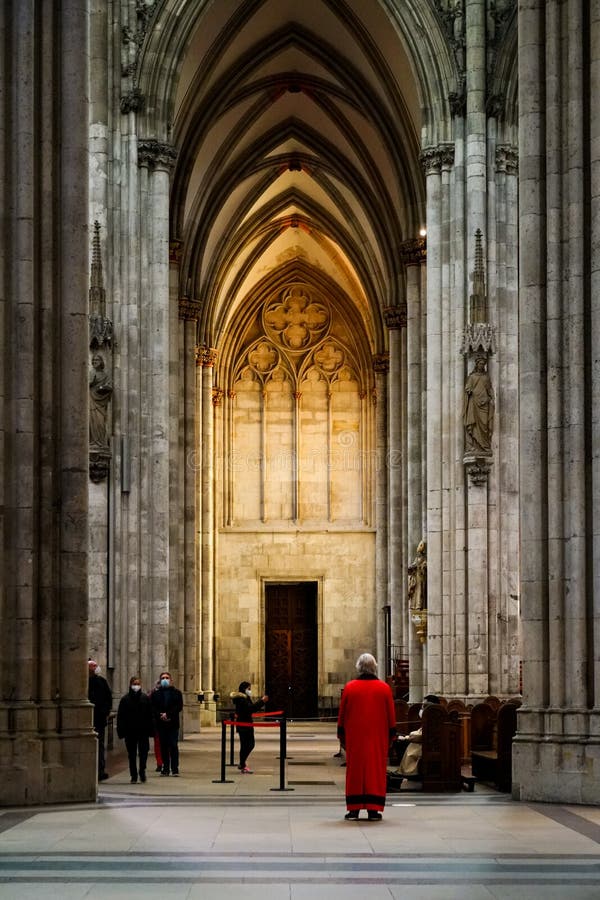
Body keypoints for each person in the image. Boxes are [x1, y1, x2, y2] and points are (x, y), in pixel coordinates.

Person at [337, 653, 396, 821]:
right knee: (375, 771)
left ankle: (354, 809)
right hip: (378, 739)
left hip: (355, 739)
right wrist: (391, 736)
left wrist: (342, 735)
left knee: (355, 771)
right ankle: (373, 809)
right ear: (374, 667)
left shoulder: (350, 687)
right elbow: (391, 716)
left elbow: (342, 715)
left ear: (359, 667)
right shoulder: (384, 688)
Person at [393, 694, 442, 780]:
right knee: (399, 741)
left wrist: (407, 737)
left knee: (403, 743)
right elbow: (421, 731)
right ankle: (402, 771)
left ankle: (409, 773)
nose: (422, 709)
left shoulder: (435, 719)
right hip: (423, 743)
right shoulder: (430, 718)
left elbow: (423, 736)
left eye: (424, 706)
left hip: (427, 747)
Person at [116, 676, 155, 783]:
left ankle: (142, 770)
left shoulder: (145, 698)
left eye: (138, 684)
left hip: (143, 731)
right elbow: (121, 717)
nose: (136, 686)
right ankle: (133, 775)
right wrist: (121, 731)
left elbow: (150, 715)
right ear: (130, 685)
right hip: (130, 731)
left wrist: (151, 730)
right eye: (134, 684)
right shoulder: (125, 699)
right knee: (131, 754)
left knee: (144, 753)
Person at [230, 681, 269, 773]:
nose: (250, 691)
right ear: (244, 689)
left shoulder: (243, 698)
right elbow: (250, 709)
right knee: (249, 744)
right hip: (244, 724)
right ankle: (242, 764)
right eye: (249, 689)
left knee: (245, 745)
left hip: (245, 723)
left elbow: (250, 708)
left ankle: (242, 764)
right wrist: (262, 701)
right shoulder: (242, 699)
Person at [150, 671, 183, 776]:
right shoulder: (156, 694)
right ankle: (165, 768)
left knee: (173, 745)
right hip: (161, 724)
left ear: (171, 680)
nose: (165, 680)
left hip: (172, 723)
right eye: (163, 678)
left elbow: (178, 706)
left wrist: (168, 714)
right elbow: (152, 707)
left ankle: (175, 768)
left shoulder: (177, 693)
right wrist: (160, 715)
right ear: (160, 680)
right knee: (163, 746)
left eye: (167, 678)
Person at [463, 355, 495, 454]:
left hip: (484, 404)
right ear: (477, 365)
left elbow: (489, 389)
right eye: (480, 363)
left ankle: (485, 445)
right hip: (474, 403)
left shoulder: (486, 377)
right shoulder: (472, 377)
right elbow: (467, 388)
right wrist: (469, 390)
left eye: (483, 364)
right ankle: (475, 445)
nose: (481, 365)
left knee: (484, 425)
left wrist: (492, 398)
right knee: (474, 424)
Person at [87, 659, 112, 781]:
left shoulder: (102, 681)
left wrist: (106, 712)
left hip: (100, 718)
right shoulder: (84, 682)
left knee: (100, 745)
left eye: (96, 665)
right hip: (87, 718)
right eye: (93, 666)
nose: (96, 668)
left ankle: (100, 770)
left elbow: (108, 697)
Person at [89, 352, 113, 450]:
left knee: (100, 422)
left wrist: (102, 387)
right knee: (91, 421)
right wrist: (91, 381)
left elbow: (110, 386)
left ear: (101, 362)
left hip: (100, 402)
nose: (95, 362)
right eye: (93, 360)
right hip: (91, 399)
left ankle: (100, 442)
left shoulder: (106, 375)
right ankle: (92, 441)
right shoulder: (90, 373)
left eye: (97, 360)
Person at [148, 678, 165, 772]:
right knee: (158, 744)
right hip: (157, 723)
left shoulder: (169, 693)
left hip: (167, 722)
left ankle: (166, 762)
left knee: (167, 744)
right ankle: (159, 763)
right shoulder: (152, 695)